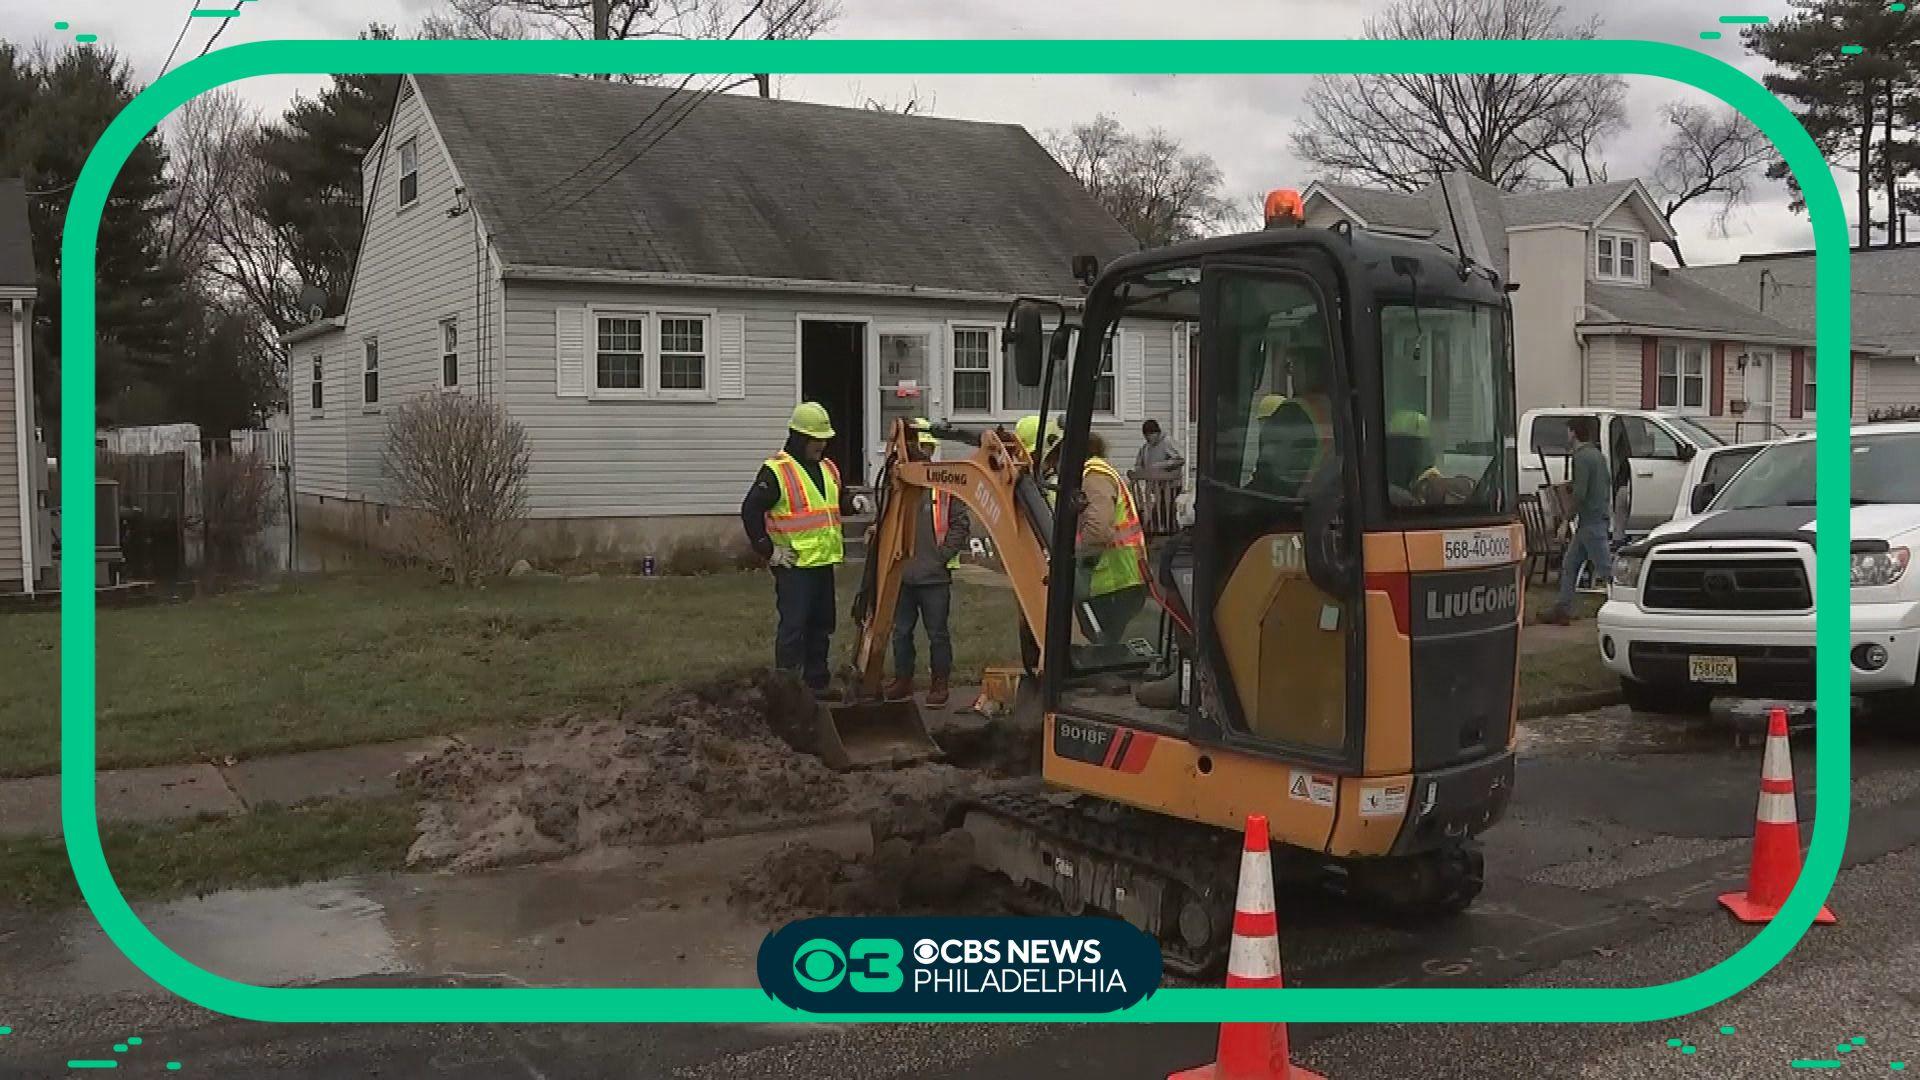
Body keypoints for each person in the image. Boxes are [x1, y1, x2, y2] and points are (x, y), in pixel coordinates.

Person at [740, 401, 844, 696]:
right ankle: (787, 690)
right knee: (794, 629)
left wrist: (852, 502)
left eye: (824, 439)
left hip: (823, 563)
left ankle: (817, 684)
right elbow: (750, 510)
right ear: (799, 438)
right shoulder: (777, 470)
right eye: (815, 439)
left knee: (822, 626)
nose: (821, 445)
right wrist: (769, 551)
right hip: (794, 566)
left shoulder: (828, 468)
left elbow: (833, 500)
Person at [886, 421, 972, 707]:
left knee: (937, 634)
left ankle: (940, 683)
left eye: (924, 447)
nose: (920, 452)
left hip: (934, 577)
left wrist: (941, 556)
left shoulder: (944, 485)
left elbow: (960, 524)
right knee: (901, 632)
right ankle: (903, 680)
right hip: (902, 574)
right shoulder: (897, 483)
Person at [1077, 431, 1151, 645]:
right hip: (1121, 579)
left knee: (1102, 648)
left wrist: (1074, 560)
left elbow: (1097, 532)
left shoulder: (1094, 477)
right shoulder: (1099, 473)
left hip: (1113, 581)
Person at [1538, 414, 1611, 626]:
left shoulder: (1580, 457)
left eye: (1568, 431)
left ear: (1573, 433)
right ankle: (1563, 607)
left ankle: (1626, 602)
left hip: (1590, 521)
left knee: (1606, 568)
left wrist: (1564, 521)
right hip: (1596, 517)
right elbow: (1602, 483)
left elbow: (1580, 494)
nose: (1567, 435)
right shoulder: (1598, 456)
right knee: (1570, 563)